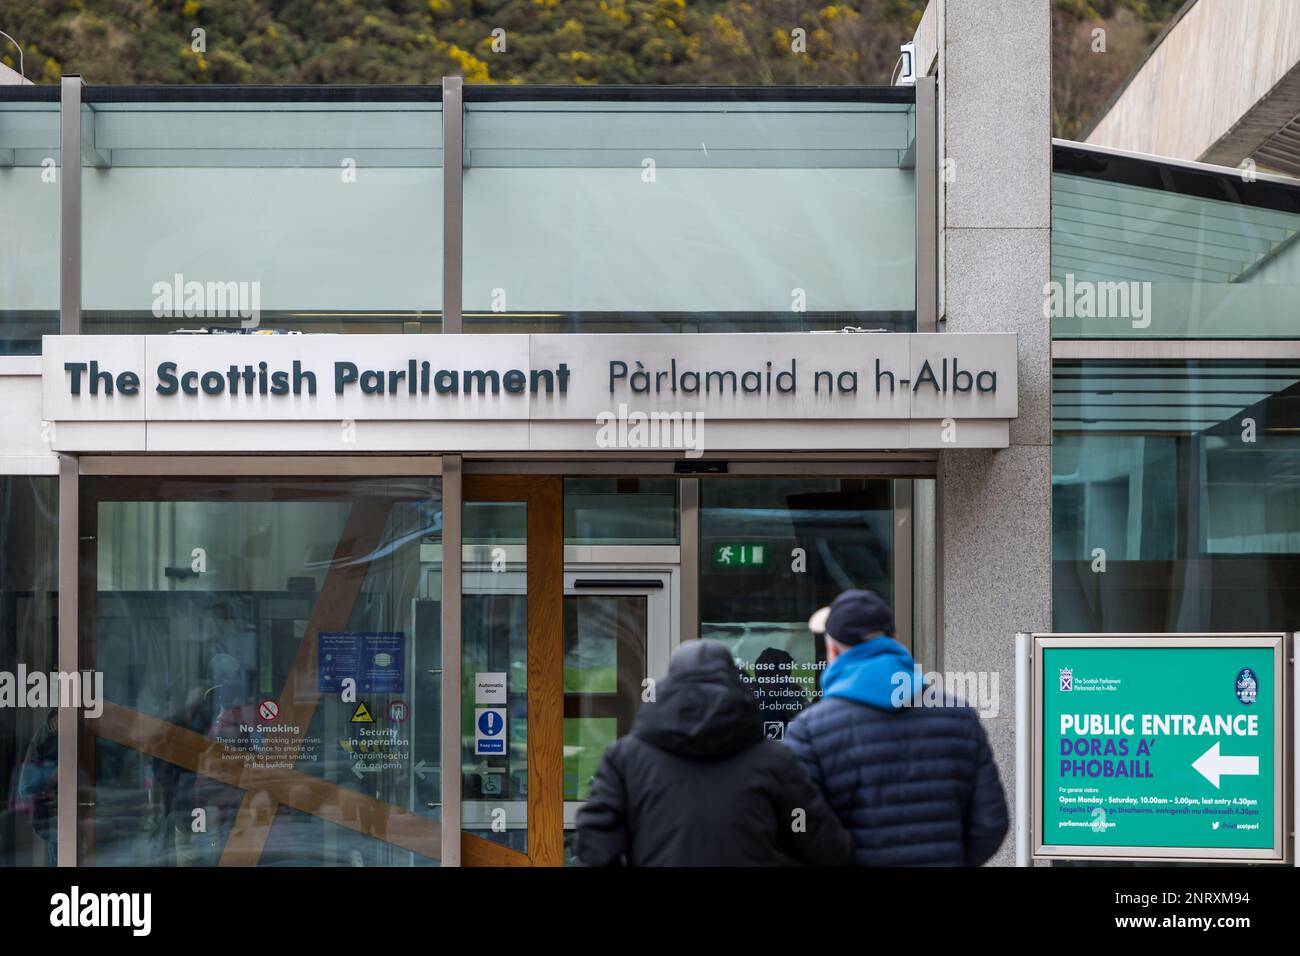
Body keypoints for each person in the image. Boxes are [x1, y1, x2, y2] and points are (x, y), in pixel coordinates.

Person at [574, 639, 852, 866]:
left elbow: (595, 845)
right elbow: (826, 847)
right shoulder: (774, 760)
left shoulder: (625, 758)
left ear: (670, 683)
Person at [786, 589, 1008, 866]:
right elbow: (991, 822)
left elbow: (800, 830)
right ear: (894, 640)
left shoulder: (809, 731)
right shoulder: (959, 716)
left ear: (832, 650)